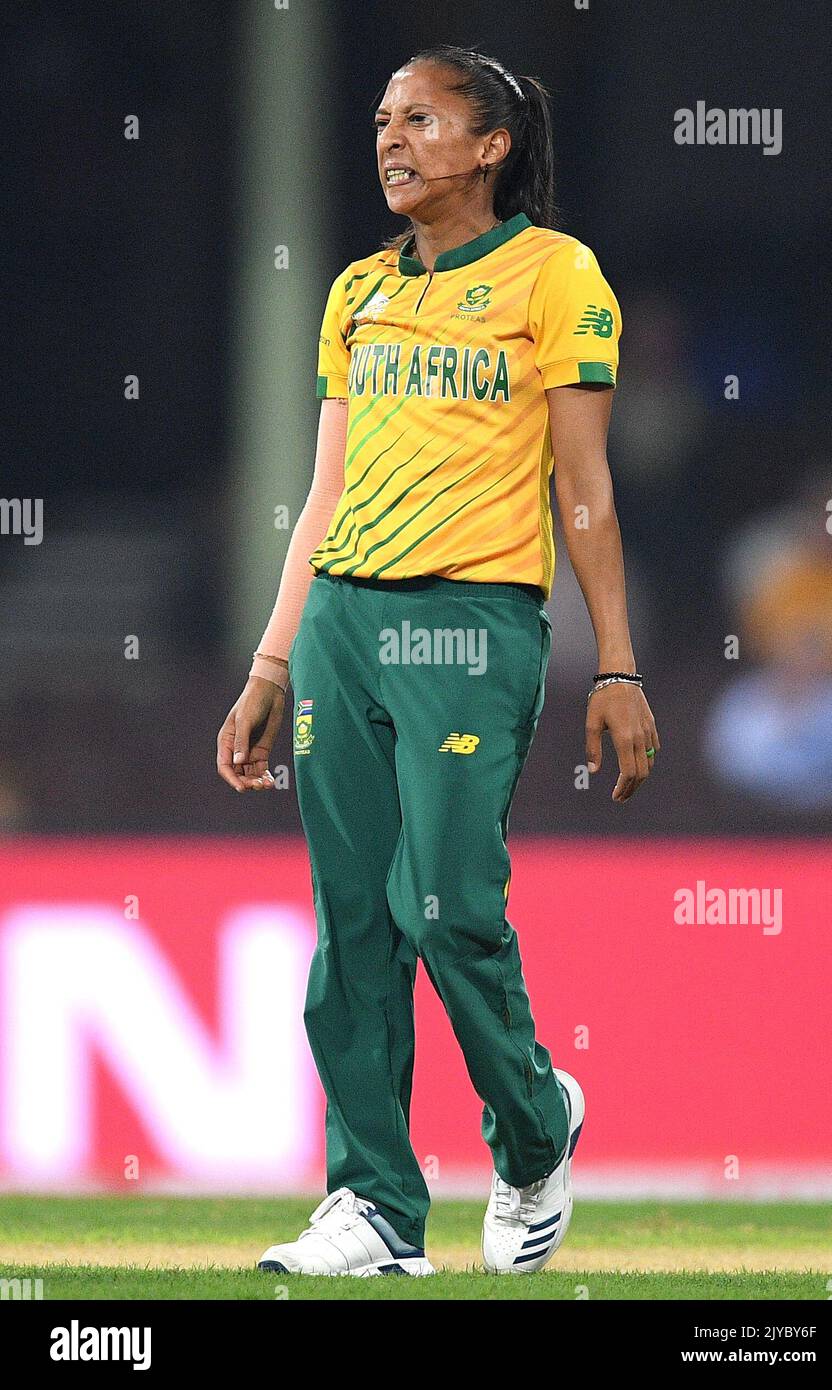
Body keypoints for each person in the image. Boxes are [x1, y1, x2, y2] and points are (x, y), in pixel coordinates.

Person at [217, 44, 659, 1277]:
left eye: (420, 117)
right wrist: (270, 662)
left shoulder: (553, 274)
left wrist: (615, 666)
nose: (389, 138)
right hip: (343, 627)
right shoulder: (356, 287)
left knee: (447, 904)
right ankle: (371, 1206)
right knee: (351, 924)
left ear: (490, 145)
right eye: (378, 118)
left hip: (468, 628)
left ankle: (531, 1132)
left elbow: (584, 491)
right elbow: (322, 496)